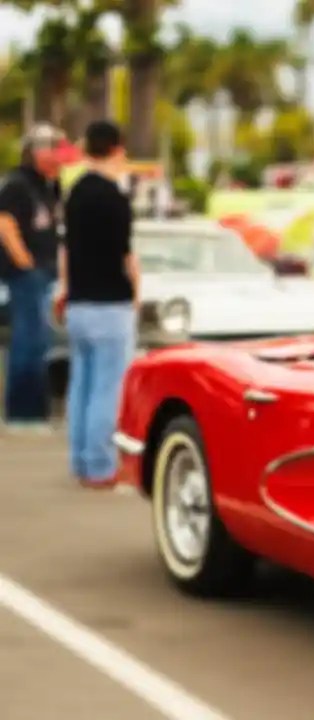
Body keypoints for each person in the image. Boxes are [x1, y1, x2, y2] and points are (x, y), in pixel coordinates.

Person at [57, 120, 138, 489]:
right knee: (109, 388)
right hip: (110, 305)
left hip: (79, 303)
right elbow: (126, 254)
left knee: (82, 386)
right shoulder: (115, 197)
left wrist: (65, 290)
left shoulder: (73, 193)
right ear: (117, 149)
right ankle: (102, 466)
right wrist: (136, 293)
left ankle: (81, 460)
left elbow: (66, 250)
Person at [0, 124, 72, 433]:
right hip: (25, 276)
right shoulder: (17, 184)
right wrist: (25, 263)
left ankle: (37, 413)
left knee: (40, 343)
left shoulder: (50, 186)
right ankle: (22, 415)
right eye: (52, 149)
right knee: (27, 343)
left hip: (45, 274)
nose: (58, 157)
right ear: (35, 152)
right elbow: (5, 223)